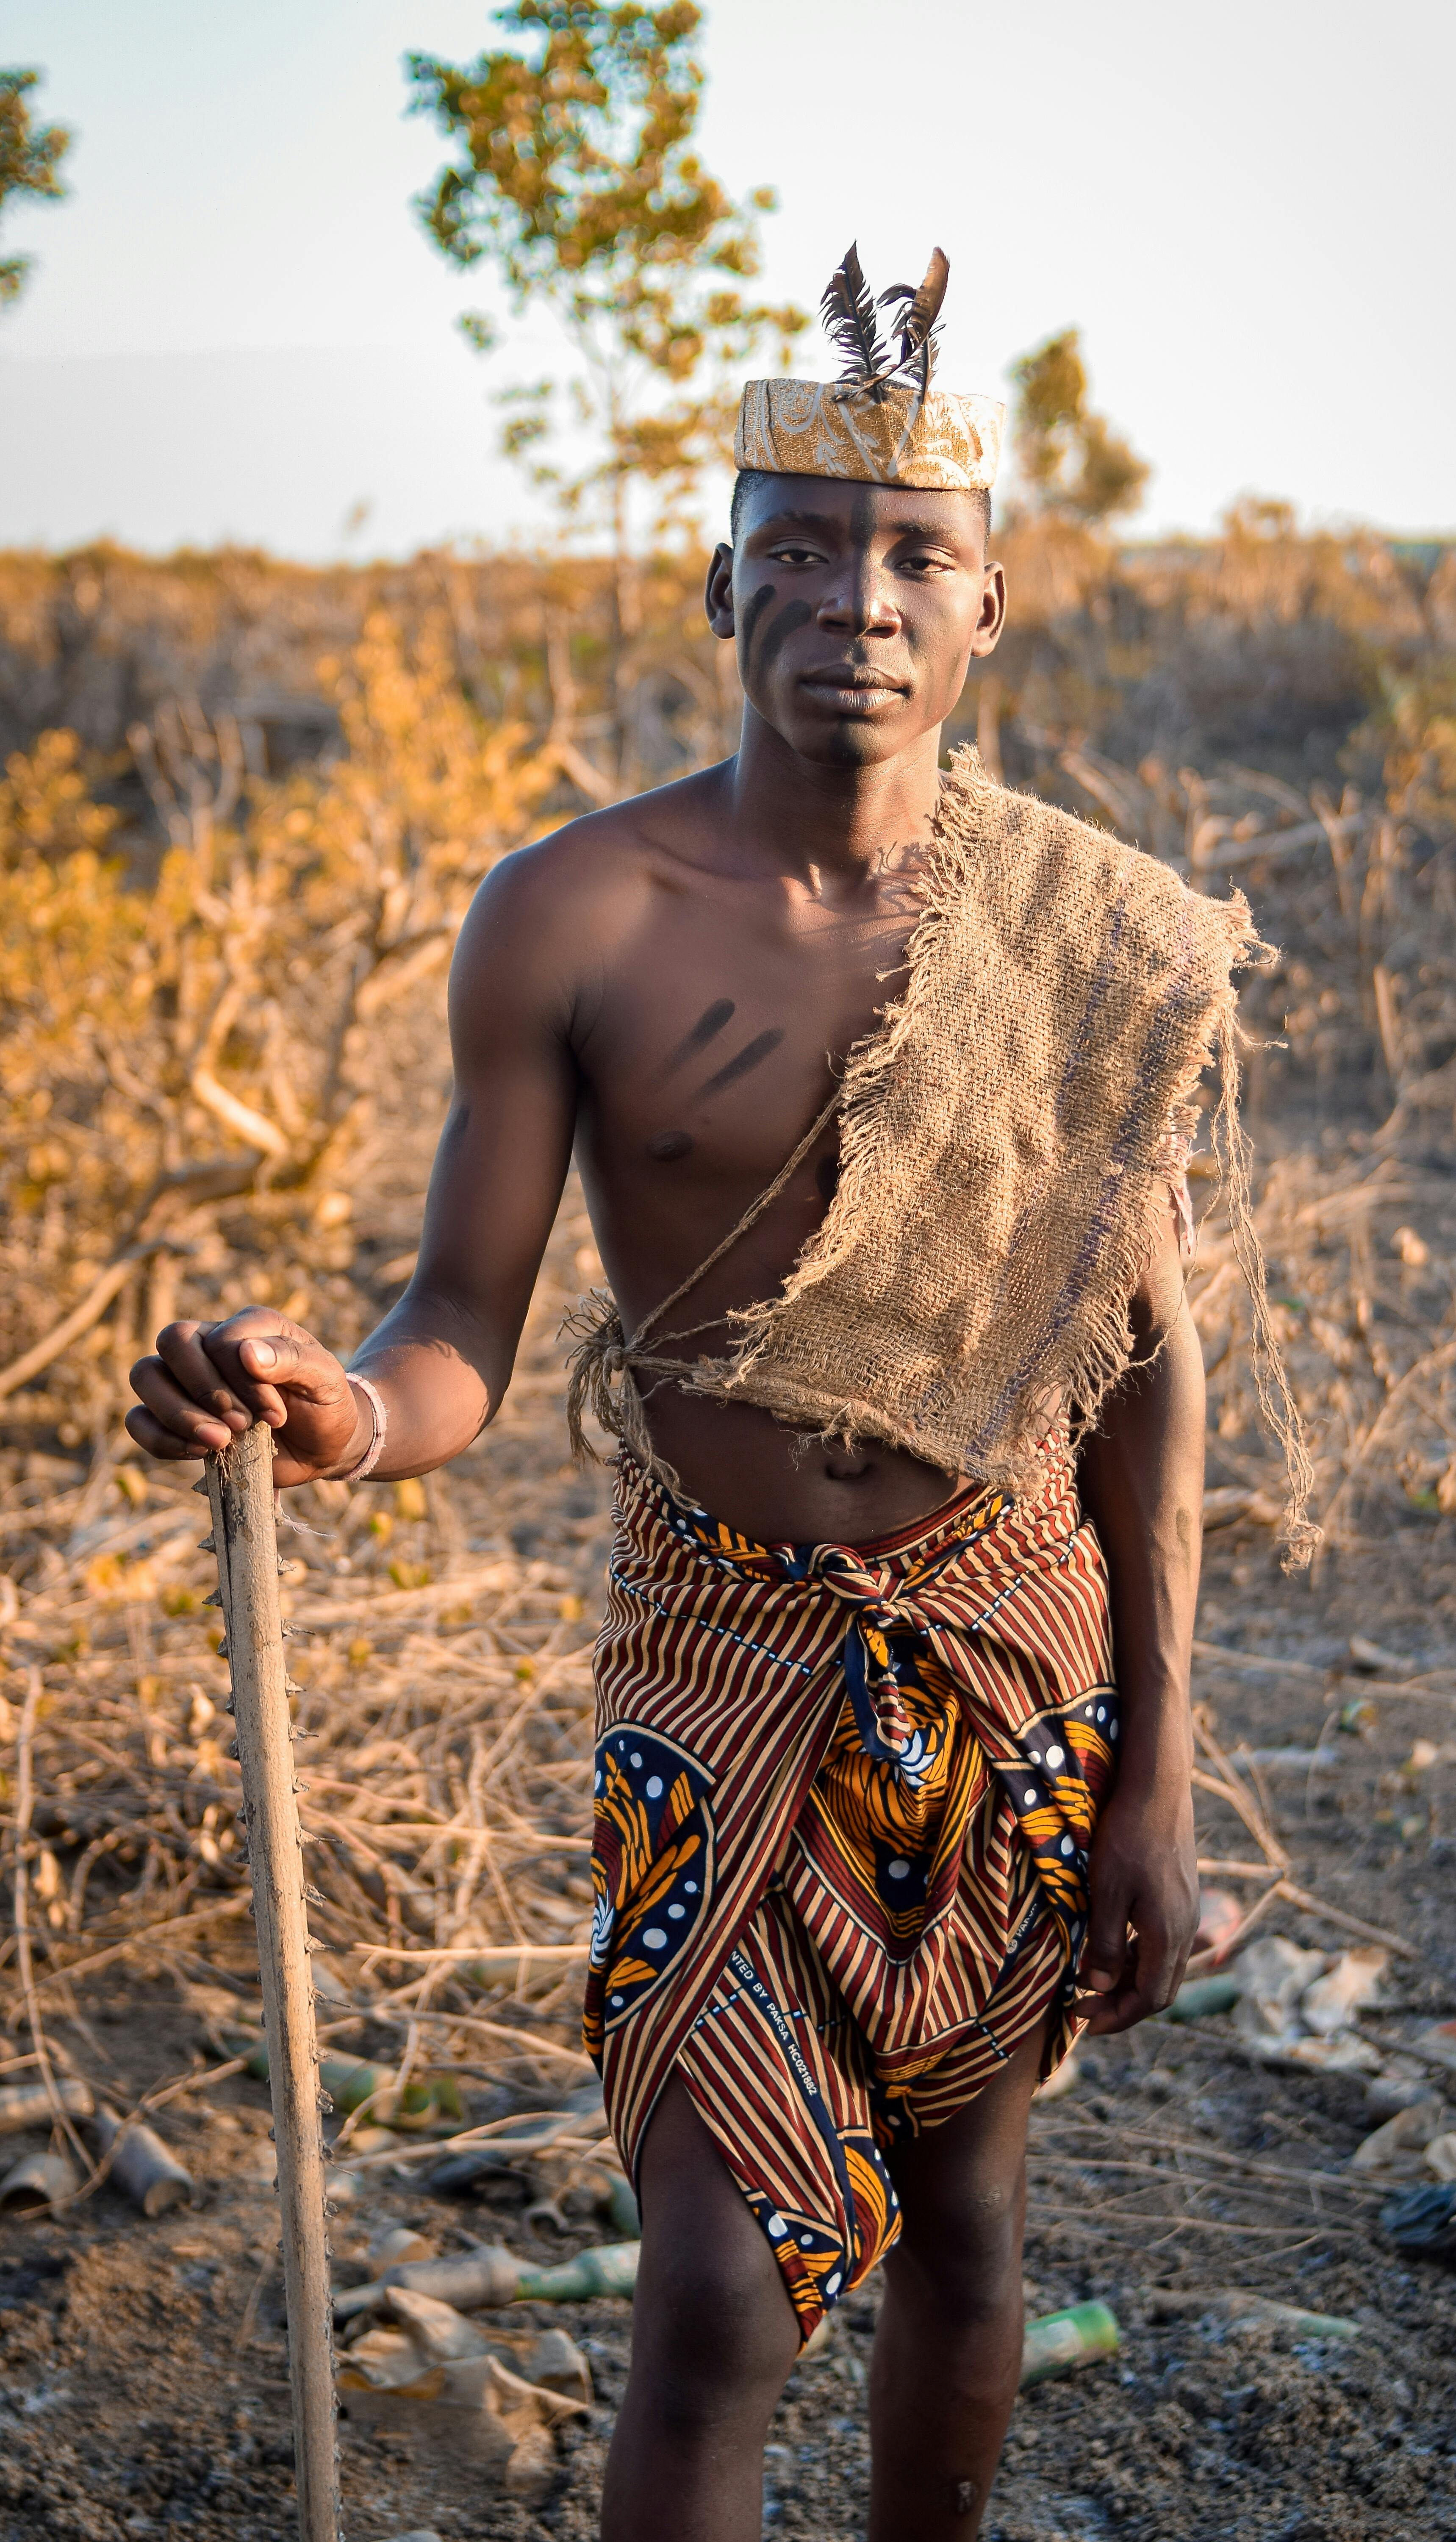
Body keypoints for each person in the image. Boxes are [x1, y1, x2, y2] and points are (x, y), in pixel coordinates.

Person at [128, 249, 1289, 2542]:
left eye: (915, 560)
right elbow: (457, 1314)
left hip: (1012, 1653)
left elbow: (1146, 1384)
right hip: (717, 1653)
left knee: (966, 2230)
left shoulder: (1087, 936)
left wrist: (1162, 1776)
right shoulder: (570, 916)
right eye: (800, 548)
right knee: (714, 2303)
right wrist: (336, 1414)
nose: (856, 600)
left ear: (988, 614)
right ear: (716, 581)